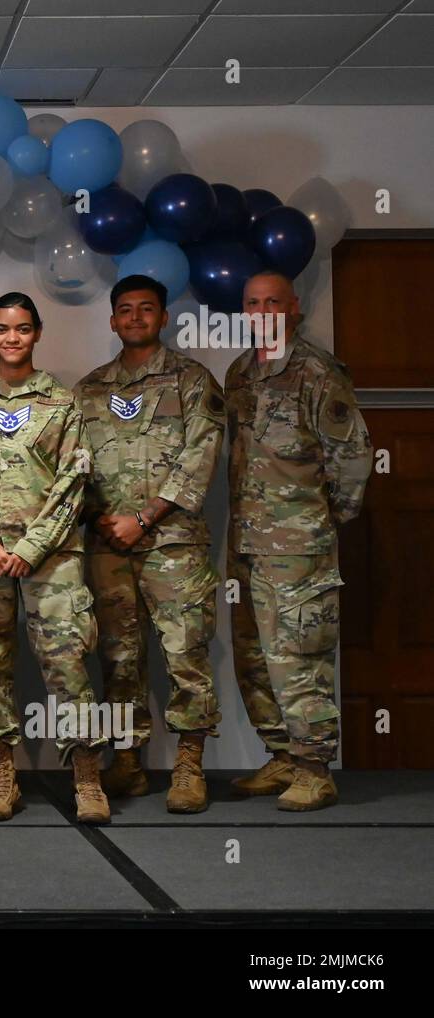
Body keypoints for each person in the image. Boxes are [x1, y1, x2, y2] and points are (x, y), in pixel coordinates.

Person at [0, 292, 109, 823]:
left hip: (51, 557)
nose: (11, 338)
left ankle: (87, 780)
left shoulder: (61, 404)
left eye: (21, 329)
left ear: (36, 333)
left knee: (68, 664)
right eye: (1, 329)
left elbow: (72, 484)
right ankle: (1, 776)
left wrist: (30, 548)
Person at [75, 274, 226, 813]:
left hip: (173, 545)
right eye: (125, 310)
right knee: (119, 659)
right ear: (112, 320)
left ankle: (189, 766)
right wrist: (102, 518)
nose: (135, 318)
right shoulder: (89, 390)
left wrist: (144, 517)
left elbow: (200, 458)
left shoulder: (192, 380)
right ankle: (128, 762)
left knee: (185, 654)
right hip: (108, 548)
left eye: (146, 309)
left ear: (163, 318)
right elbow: (73, 470)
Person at [226, 271, 371, 811]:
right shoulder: (240, 374)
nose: (262, 310)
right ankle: (282, 754)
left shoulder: (316, 372)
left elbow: (352, 459)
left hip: (298, 547)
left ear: (294, 308)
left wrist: (322, 521)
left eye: (273, 301)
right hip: (245, 540)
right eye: (252, 302)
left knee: (298, 655)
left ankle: (315, 768)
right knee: (254, 657)